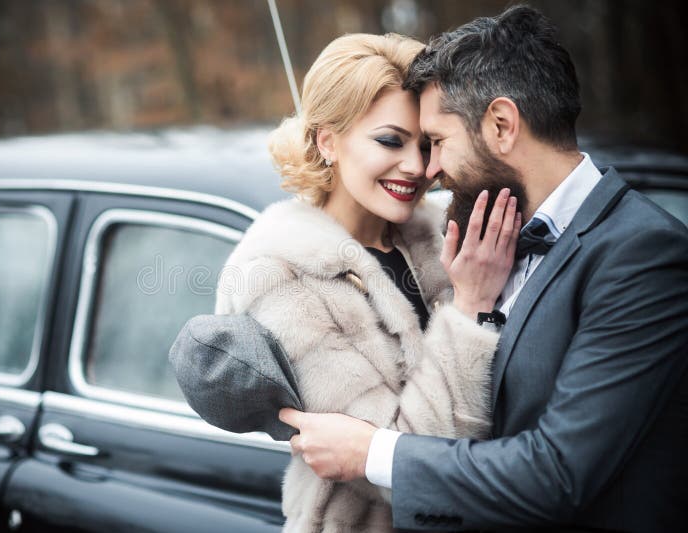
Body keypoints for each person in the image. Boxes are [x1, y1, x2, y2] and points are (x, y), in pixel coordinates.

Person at [278, 5, 688, 532]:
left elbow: (558, 473)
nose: (429, 171)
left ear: (500, 125)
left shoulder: (642, 255)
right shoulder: (487, 242)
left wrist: (374, 452)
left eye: (437, 143)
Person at [210, 33, 520, 531]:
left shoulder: (442, 235)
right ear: (326, 139)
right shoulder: (275, 273)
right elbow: (391, 465)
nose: (417, 167)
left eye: (426, 144)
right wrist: (470, 307)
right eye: (390, 141)